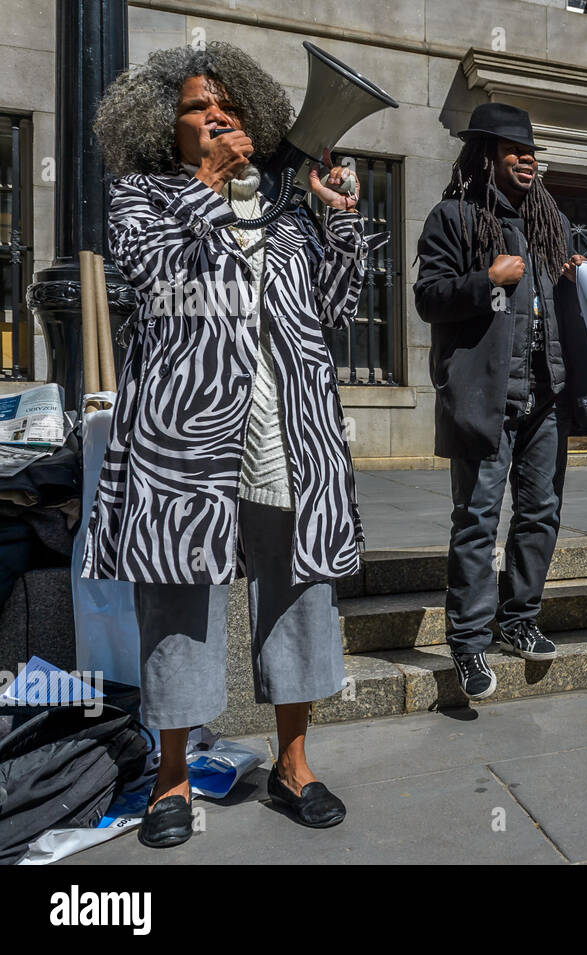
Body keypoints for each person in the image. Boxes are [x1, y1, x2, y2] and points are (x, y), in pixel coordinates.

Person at [87, 43, 369, 846]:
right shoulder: (141, 197)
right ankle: (171, 776)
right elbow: (153, 282)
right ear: (164, 129)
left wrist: (337, 224)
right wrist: (206, 196)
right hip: (185, 442)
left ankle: (294, 762)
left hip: (289, 434)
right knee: (178, 600)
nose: (216, 117)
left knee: (299, 591)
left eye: (228, 106)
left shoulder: (283, 212)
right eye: (196, 109)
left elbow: (332, 312)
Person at [414, 104, 587, 701]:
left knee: (541, 512)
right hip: (485, 396)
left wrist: (576, 281)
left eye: (531, 151)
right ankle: (468, 645)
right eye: (513, 151)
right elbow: (428, 298)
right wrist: (486, 280)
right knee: (475, 520)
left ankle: (519, 619)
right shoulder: (454, 219)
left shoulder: (552, 226)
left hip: (545, 397)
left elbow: (567, 315)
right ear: (485, 156)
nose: (526, 160)